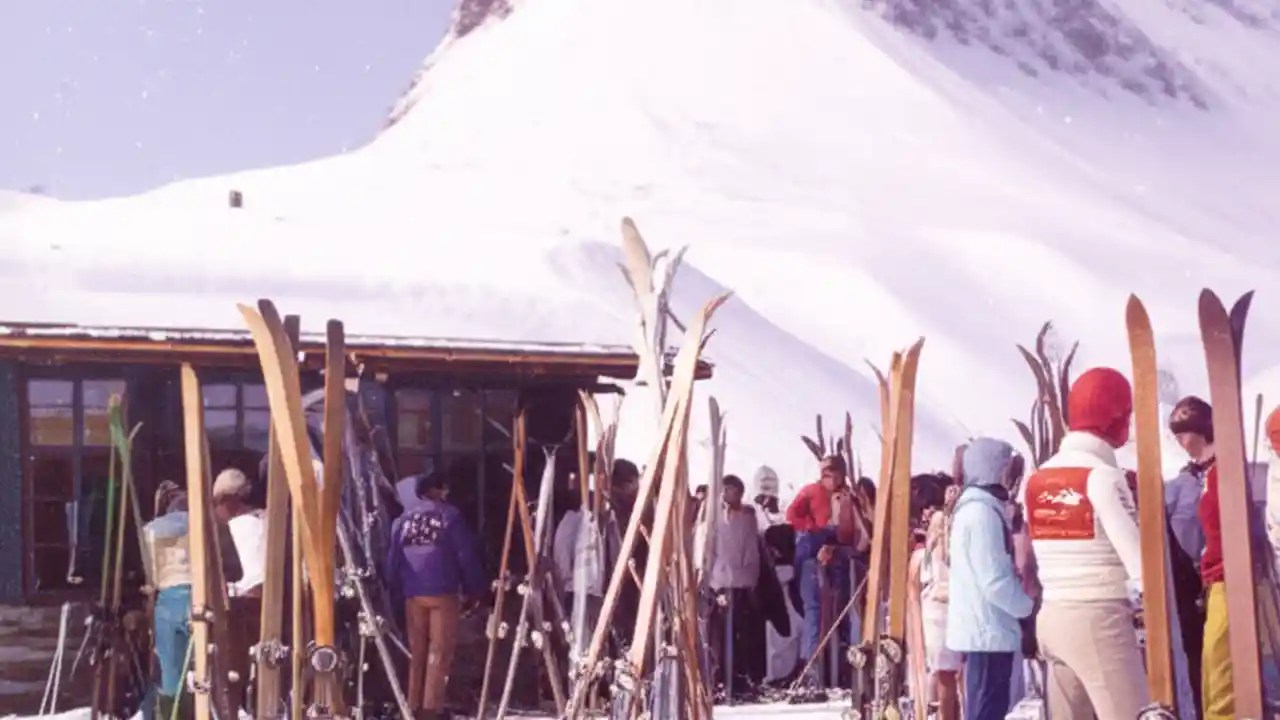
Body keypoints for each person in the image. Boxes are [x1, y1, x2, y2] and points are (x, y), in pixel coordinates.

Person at [1019, 367, 1148, 719]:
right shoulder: (1102, 477)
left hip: (1054, 614)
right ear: (1116, 416)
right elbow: (1139, 564)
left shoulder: (1037, 479)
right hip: (1100, 617)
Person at [946, 438, 1035, 720]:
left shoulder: (980, 509)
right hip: (988, 632)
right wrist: (1027, 607)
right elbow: (994, 580)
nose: (1011, 477)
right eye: (1007, 467)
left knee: (987, 708)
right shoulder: (981, 514)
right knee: (986, 710)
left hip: (986, 629)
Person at [387, 470, 486, 719]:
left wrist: (395, 592)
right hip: (443, 593)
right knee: (438, 652)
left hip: (413, 595)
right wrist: (476, 589)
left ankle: (411, 706)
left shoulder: (402, 521)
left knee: (417, 650)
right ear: (435, 491)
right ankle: (431, 710)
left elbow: (392, 562)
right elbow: (465, 555)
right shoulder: (449, 517)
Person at [785, 454, 864, 687]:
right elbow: (792, 515)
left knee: (840, 610)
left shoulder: (848, 496)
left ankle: (839, 669)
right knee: (815, 611)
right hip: (812, 553)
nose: (831, 477)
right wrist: (811, 529)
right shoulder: (810, 491)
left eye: (835, 473)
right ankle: (812, 671)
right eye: (827, 473)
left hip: (839, 553)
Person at [1167, 396, 1214, 711]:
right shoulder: (1180, 483)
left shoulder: (1232, 472)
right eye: (1177, 434)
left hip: (1223, 576)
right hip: (1188, 583)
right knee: (1197, 661)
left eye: (1185, 432)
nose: (1181, 441)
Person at [212, 467, 266, 710]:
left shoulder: (235, 529)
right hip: (266, 610)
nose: (215, 510)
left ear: (228, 501)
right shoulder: (265, 522)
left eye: (216, 503)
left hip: (244, 610)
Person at [707, 474, 764, 696]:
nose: (726, 494)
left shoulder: (747, 518)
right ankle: (722, 678)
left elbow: (751, 552)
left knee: (743, 634)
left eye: (730, 489)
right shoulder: (713, 517)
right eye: (724, 489)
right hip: (719, 583)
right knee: (720, 635)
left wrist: (748, 579)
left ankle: (741, 679)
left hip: (741, 584)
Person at [143, 481, 192, 720]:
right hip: (198, 597)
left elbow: (150, 577)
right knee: (204, 670)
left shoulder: (150, 530)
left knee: (170, 673)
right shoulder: (204, 524)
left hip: (167, 597)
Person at [916, 483, 962, 720]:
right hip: (941, 603)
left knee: (950, 675)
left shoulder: (943, 523)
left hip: (946, 603)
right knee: (948, 675)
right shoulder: (940, 525)